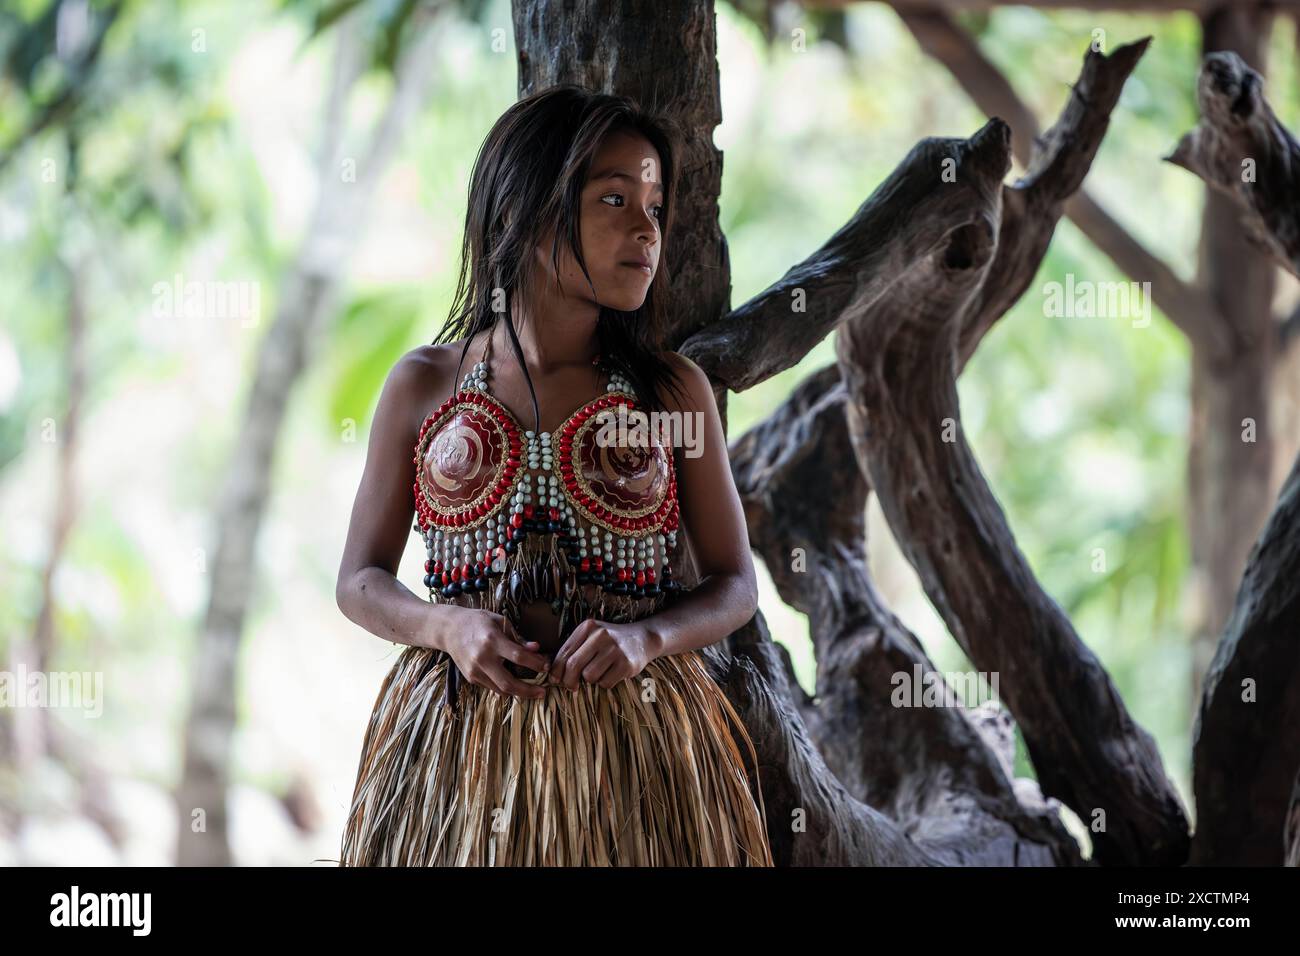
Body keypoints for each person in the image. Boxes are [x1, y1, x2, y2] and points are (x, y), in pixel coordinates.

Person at [333, 84, 773, 866]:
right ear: (526, 214)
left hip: (637, 756)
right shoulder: (423, 386)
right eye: (615, 199)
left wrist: (647, 639)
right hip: (459, 758)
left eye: (656, 207)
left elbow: (736, 584)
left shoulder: (672, 392)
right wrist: (445, 627)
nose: (647, 229)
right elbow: (359, 579)